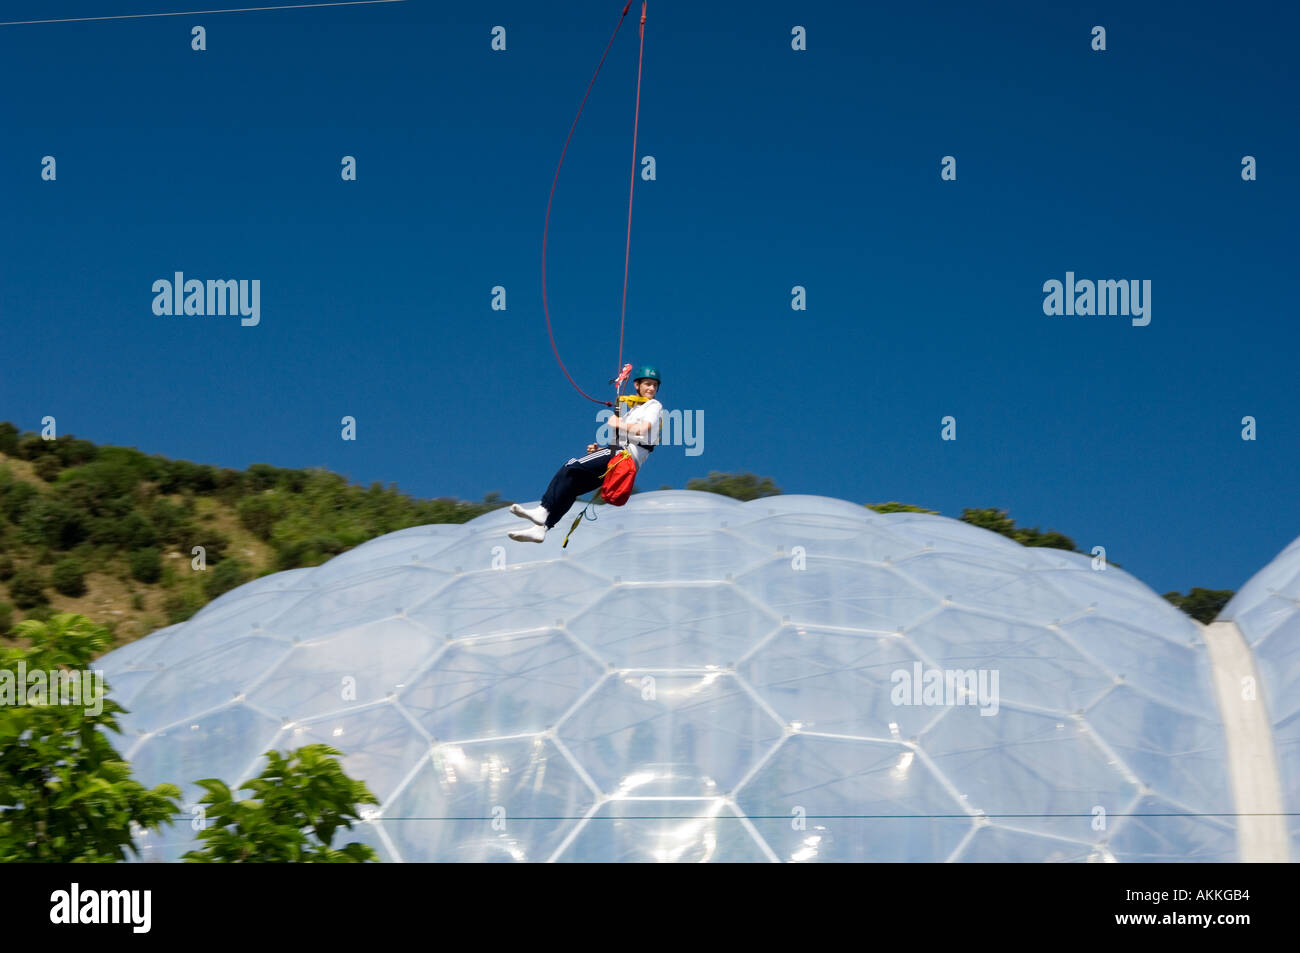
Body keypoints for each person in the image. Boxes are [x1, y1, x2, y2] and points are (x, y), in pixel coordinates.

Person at [509, 365, 663, 542]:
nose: (651, 388)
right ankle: (543, 528)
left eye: (654, 385)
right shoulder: (634, 410)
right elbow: (624, 440)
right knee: (572, 486)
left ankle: (543, 509)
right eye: (647, 384)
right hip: (620, 456)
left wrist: (618, 424)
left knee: (571, 467)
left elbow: (643, 430)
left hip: (622, 456)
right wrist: (599, 451)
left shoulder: (653, 405)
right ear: (637, 385)